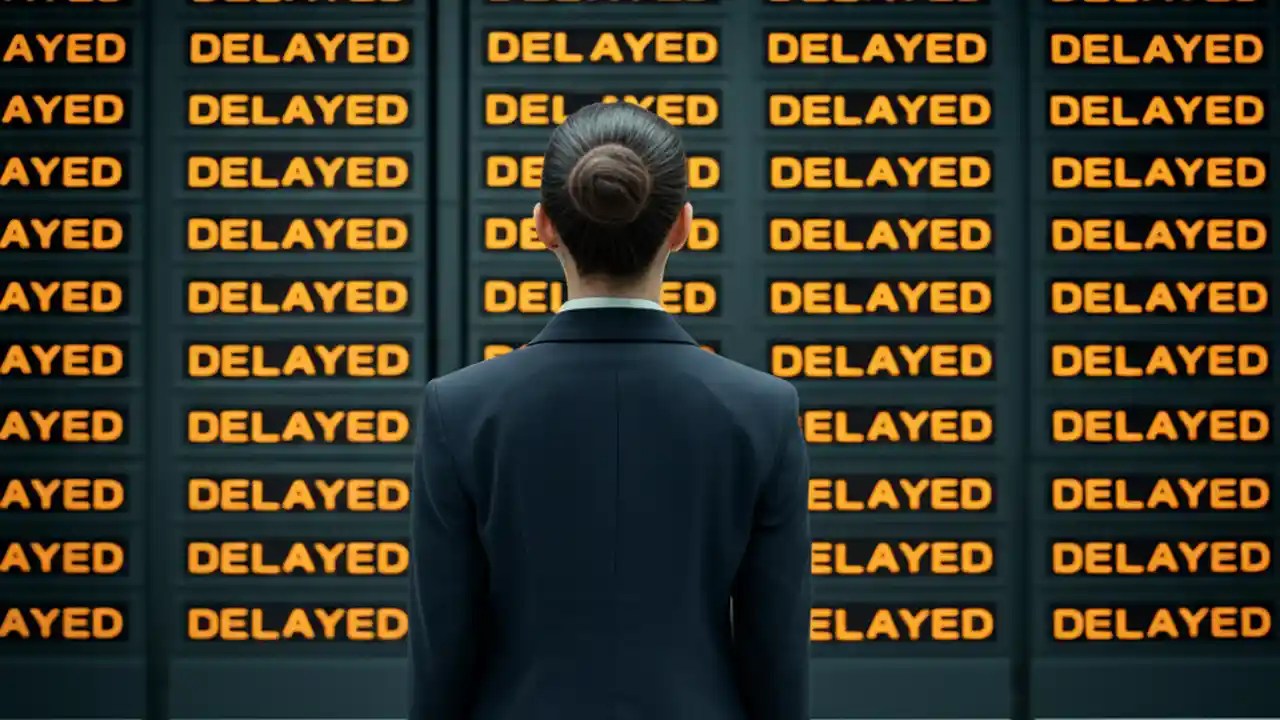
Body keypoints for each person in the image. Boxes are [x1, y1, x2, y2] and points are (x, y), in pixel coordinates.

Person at [408, 102, 811, 720]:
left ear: (544, 225)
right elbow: (776, 659)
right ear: (682, 227)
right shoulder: (761, 411)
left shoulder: (459, 410)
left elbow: (443, 658)